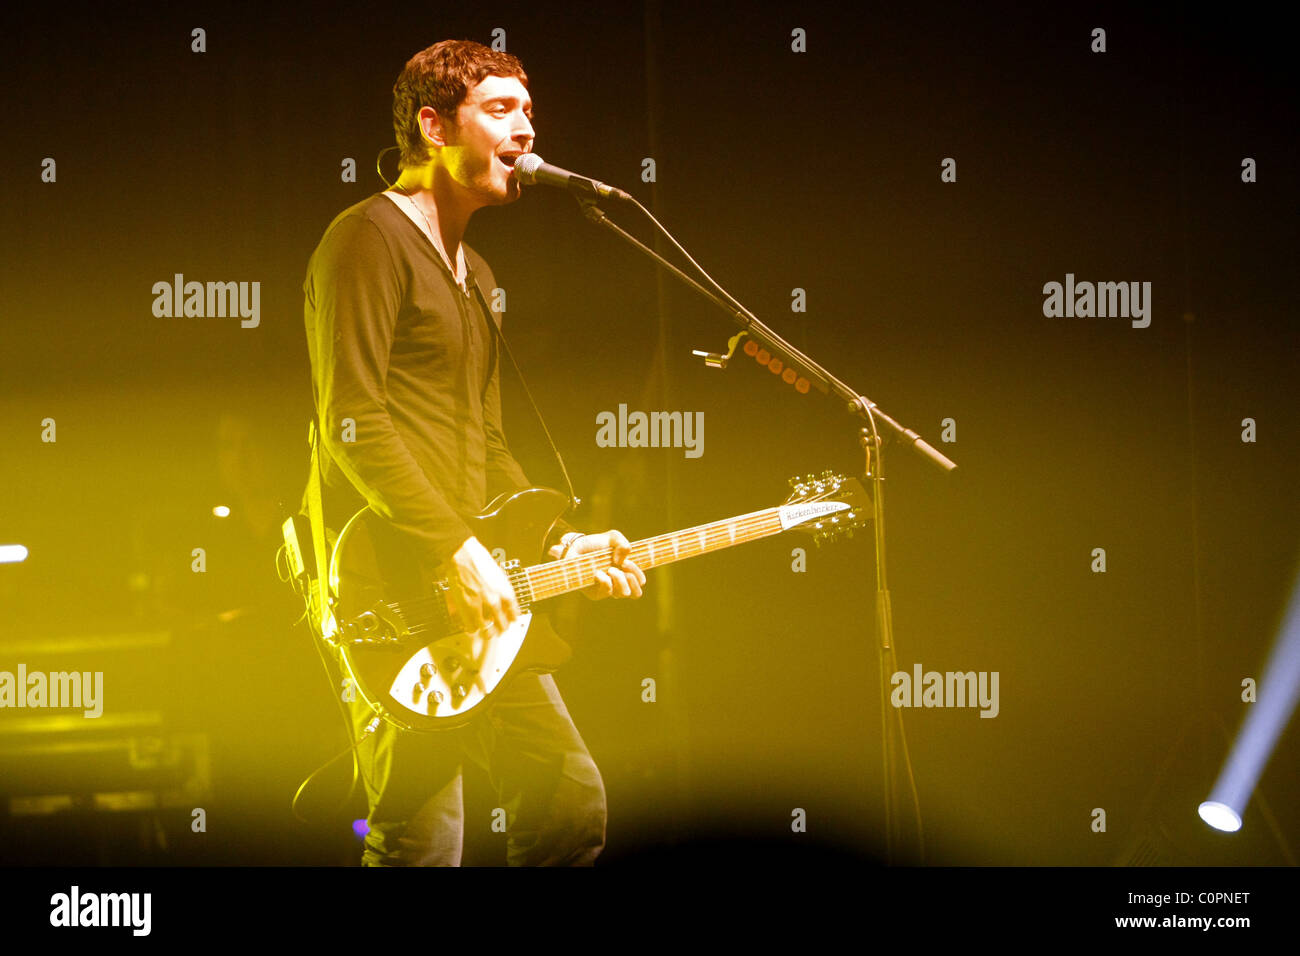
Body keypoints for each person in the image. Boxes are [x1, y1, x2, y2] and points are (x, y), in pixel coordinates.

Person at [301, 39, 646, 866]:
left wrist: (556, 541)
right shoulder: (365, 240)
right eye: (500, 109)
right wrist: (451, 548)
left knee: (566, 801)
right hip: (393, 586)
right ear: (431, 125)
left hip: (484, 587)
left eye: (528, 111)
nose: (526, 129)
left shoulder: (480, 274)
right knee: (426, 837)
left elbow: (485, 442)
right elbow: (352, 418)